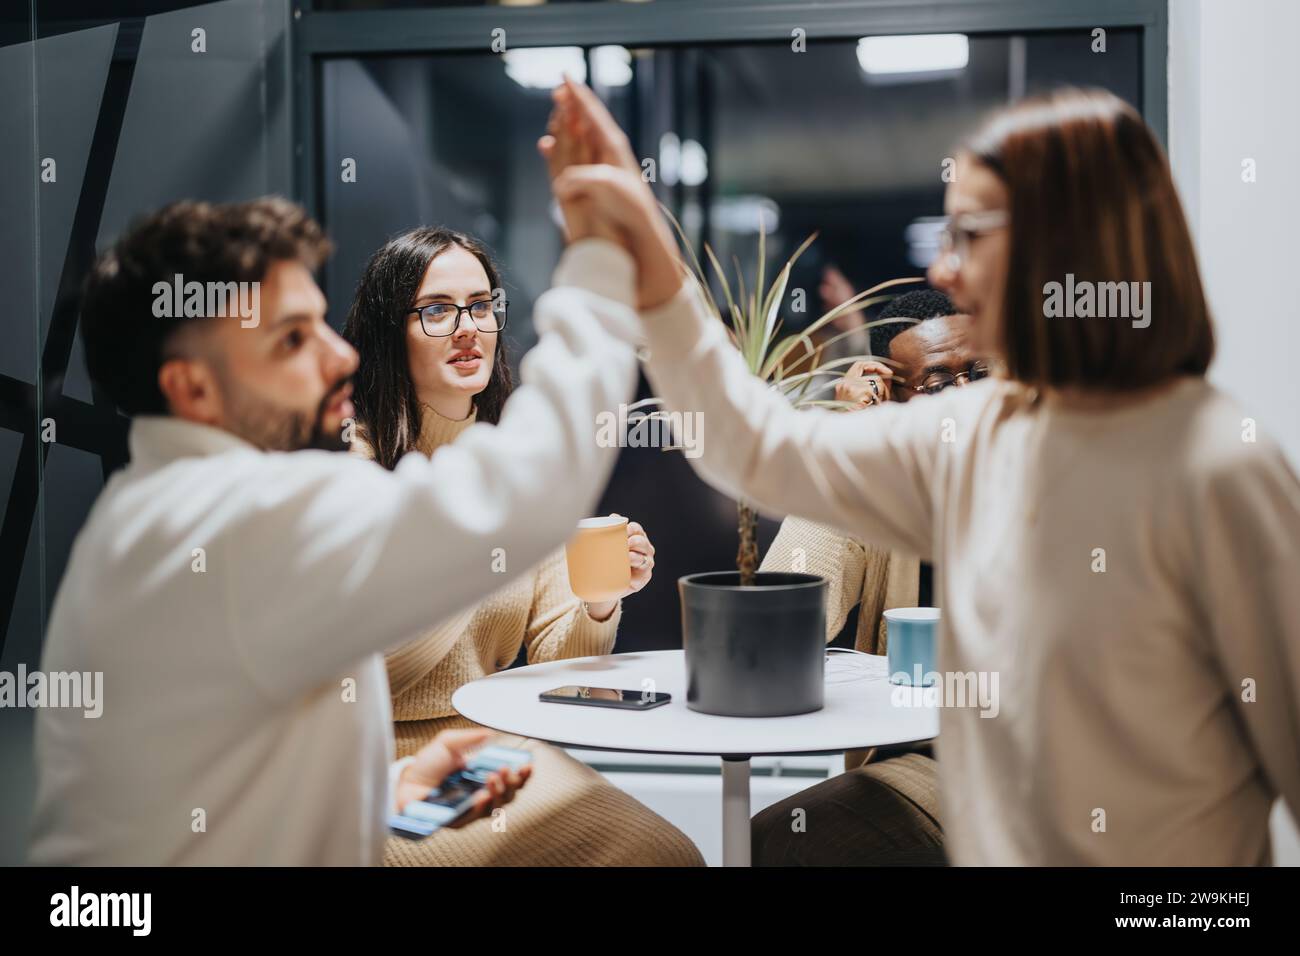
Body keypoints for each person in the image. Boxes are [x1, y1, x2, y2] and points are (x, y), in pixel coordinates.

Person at [550, 79, 1300, 865]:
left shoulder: (1215, 467)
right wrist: (642, 253)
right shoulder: (970, 434)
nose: (944, 268)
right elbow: (753, 447)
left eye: (969, 234)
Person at [28, 170, 657, 863]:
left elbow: (238, 770)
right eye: (293, 339)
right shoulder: (242, 513)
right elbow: (527, 489)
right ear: (194, 387)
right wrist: (602, 256)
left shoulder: (159, 506)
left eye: (482, 306)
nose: (343, 355)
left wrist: (389, 787)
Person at [342, 224, 702, 866]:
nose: (466, 328)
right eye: (435, 310)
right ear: (387, 330)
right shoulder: (354, 465)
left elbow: (558, 658)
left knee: (666, 853)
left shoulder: (515, 459)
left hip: (491, 750)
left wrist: (598, 598)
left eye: (481, 306)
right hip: (376, 765)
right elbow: (372, 667)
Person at [751, 289, 984, 865]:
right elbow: (774, 634)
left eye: (978, 374)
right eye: (934, 385)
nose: (963, 400)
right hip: (929, 761)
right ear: (891, 396)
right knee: (779, 837)